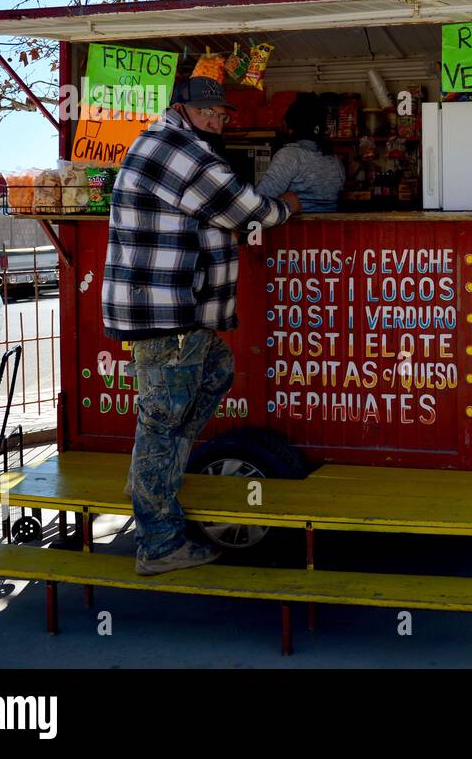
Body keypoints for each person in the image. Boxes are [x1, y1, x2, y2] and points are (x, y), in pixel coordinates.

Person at [103, 75, 301, 575]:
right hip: (165, 311)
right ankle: (159, 542)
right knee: (163, 421)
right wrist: (289, 207)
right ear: (181, 108)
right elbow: (247, 210)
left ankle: (153, 472)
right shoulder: (181, 151)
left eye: (222, 114)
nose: (216, 120)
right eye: (208, 112)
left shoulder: (169, 140)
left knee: (215, 370)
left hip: (170, 309)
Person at [257, 92, 345, 212]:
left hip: (296, 230)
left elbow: (260, 202)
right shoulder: (334, 160)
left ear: (291, 127)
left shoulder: (289, 156)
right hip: (329, 229)